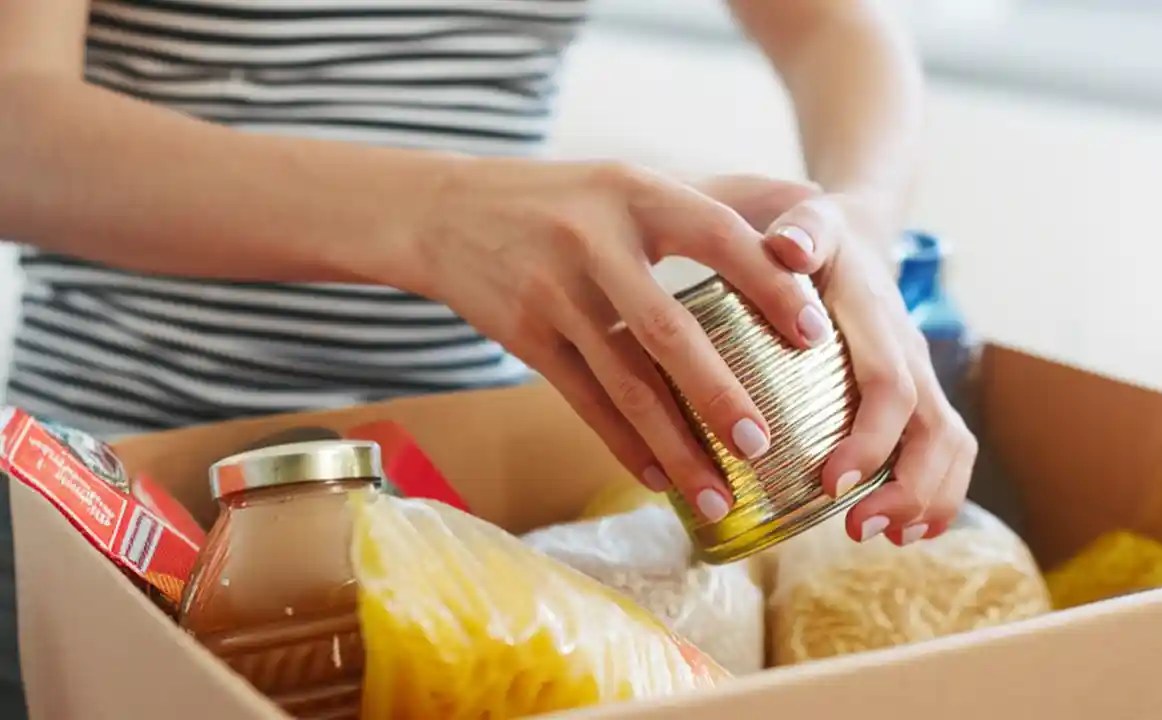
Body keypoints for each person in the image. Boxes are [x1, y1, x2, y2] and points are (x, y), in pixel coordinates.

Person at [0, 0, 976, 712]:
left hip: (460, 508)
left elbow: (833, 25)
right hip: (111, 521)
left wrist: (857, 220)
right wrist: (432, 214)